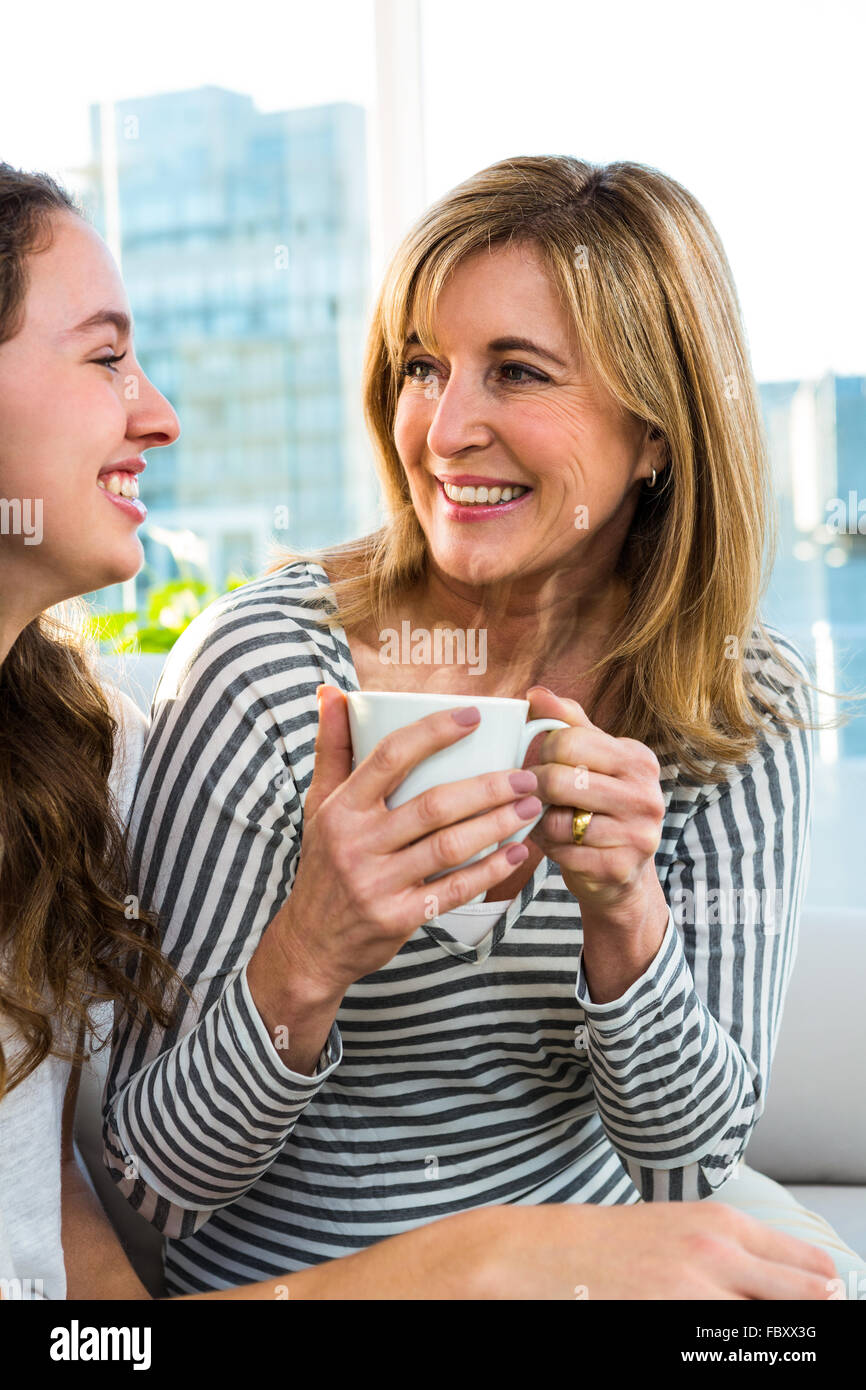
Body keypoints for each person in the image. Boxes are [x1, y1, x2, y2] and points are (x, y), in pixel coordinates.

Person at [1, 163, 841, 1303]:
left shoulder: (735, 713)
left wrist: (626, 926)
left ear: (655, 427)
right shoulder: (269, 674)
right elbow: (144, 1187)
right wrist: (310, 952)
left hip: (593, 1278)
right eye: (420, 368)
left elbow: (688, 1165)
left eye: (515, 373)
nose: (443, 430)